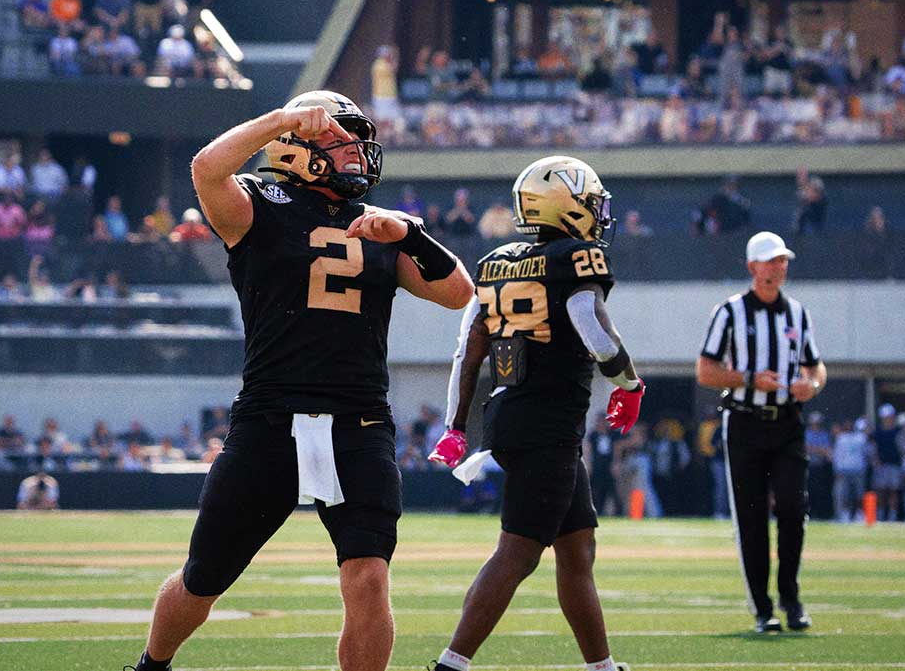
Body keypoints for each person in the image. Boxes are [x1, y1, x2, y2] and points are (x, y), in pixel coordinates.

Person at [126, 90, 472, 671]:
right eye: (339, 140)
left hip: (359, 420)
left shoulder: (379, 224)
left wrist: (410, 235)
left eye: (357, 139)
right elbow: (207, 167)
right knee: (202, 578)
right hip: (271, 416)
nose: (357, 151)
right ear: (297, 149)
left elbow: (459, 293)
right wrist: (280, 119)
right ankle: (151, 666)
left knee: (368, 579)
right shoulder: (259, 203)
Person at [426, 155, 644, 671]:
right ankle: (450, 666)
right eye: (590, 203)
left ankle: (602, 667)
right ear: (567, 206)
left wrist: (457, 425)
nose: (597, 213)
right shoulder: (576, 257)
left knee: (576, 549)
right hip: (548, 422)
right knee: (518, 553)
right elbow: (592, 328)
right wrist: (629, 383)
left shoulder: (497, 262)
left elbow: (469, 350)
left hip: (516, 415)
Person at [697, 231, 825, 633]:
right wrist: (751, 379)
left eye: (783, 260)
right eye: (771, 261)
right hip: (745, 423)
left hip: (788, 423)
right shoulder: (730, 312)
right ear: (752, 267)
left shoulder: (798, 313)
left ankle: (791, 596)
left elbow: (815, 365)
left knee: (792, 508)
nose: (779, 267)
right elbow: (705, 371)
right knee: (751, 519)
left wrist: (813, 385)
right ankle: (762, 608)